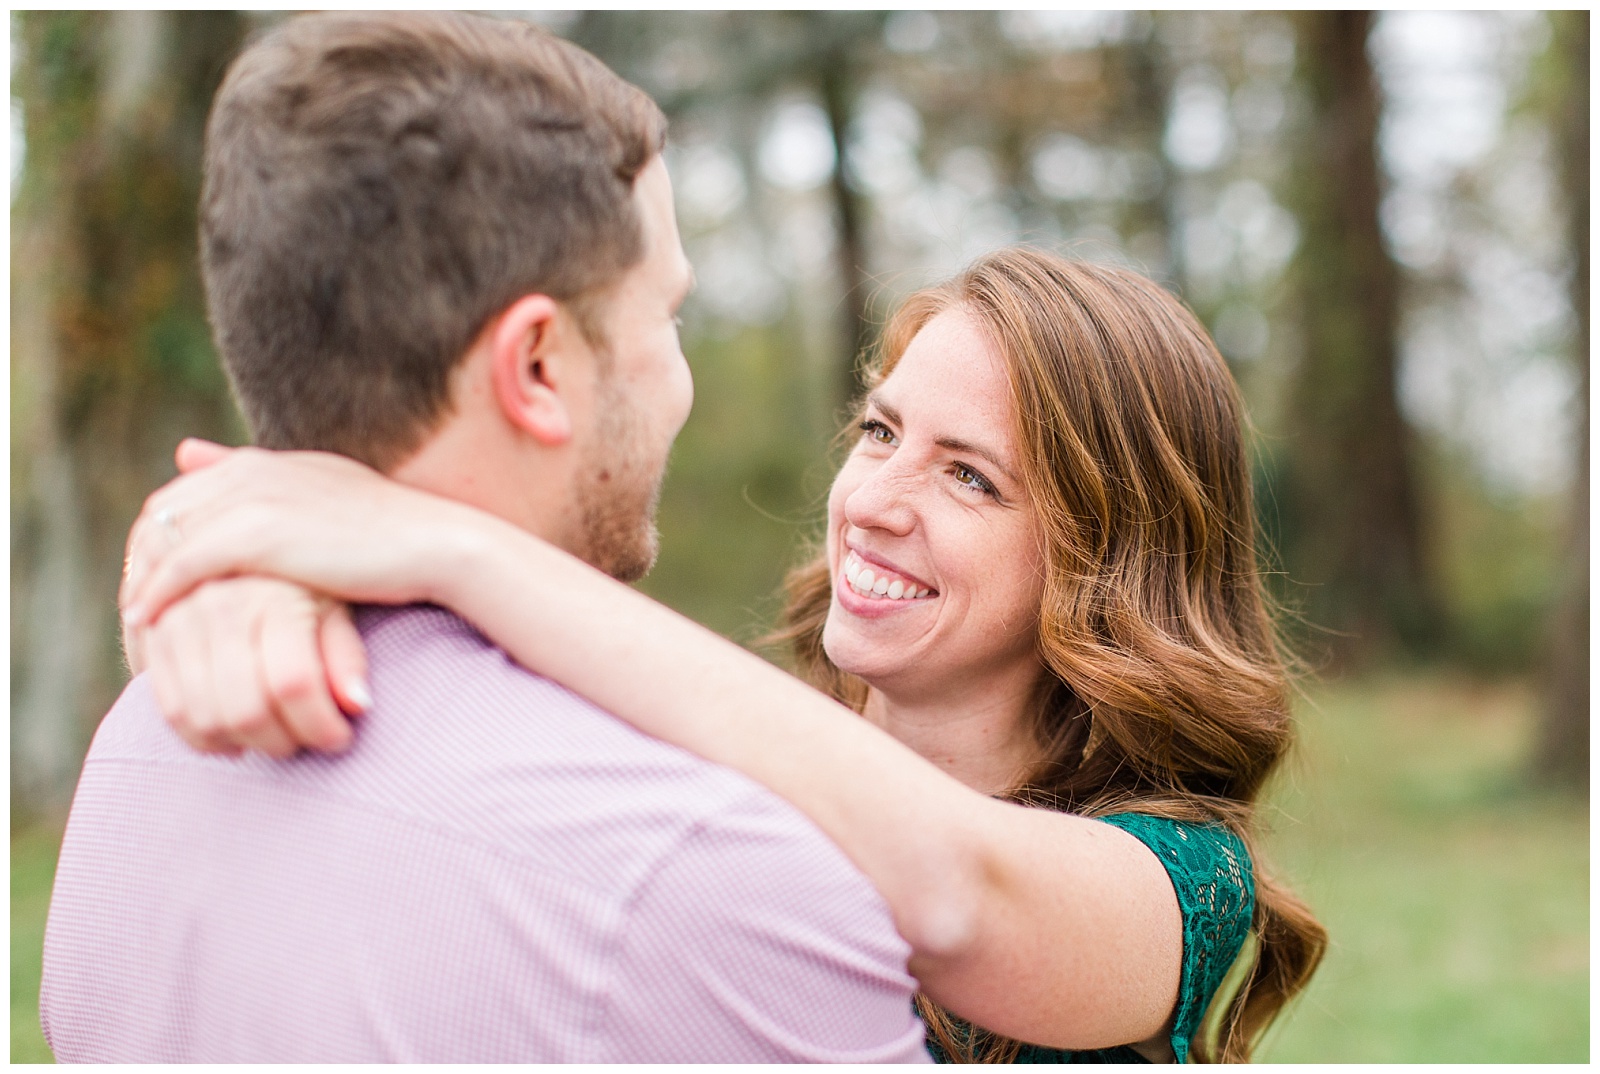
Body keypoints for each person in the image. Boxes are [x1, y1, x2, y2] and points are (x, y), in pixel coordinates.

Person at [120, 248, 1329, 1061]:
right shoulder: (726, 780)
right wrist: (244, 564)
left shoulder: (1183, 884)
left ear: (1103, 557)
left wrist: (445, 548)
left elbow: (959, 889)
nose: (874, 500)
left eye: (969, 476)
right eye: (880, 431)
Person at [39, 12, 933, 1063]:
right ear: (538, 369)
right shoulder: (701, 863)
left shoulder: (142, 745)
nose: (677, 381)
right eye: (669, 319)